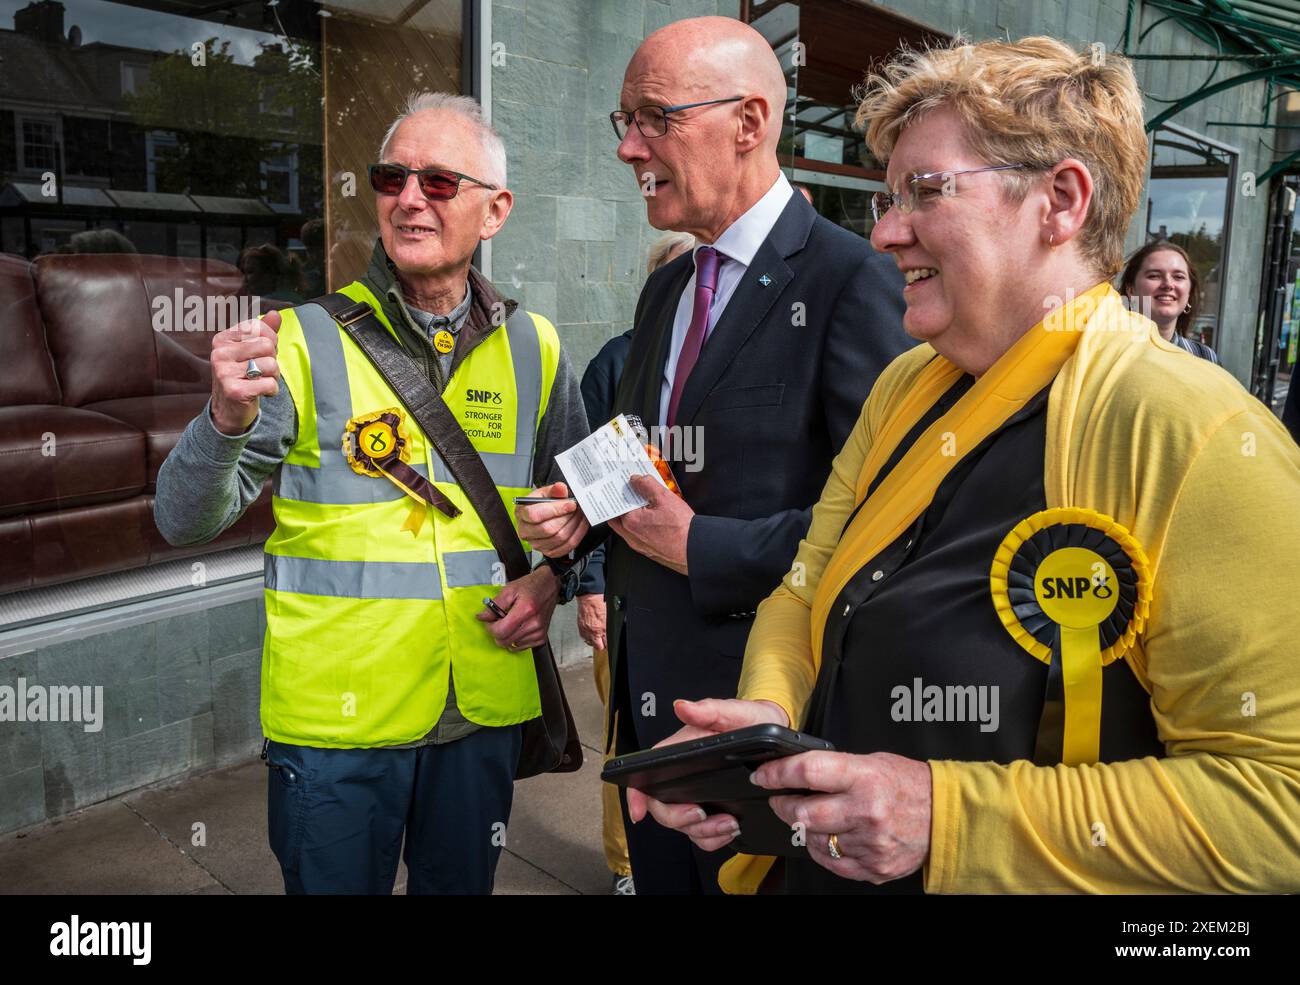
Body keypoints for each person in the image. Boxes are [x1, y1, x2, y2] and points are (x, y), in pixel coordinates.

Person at [632, 35, 1300, 895]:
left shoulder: (1193, 432)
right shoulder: (909, 384)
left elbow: (1277, 807)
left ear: (1059, 200)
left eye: (925, 192)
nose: (883, 231)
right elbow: (804, 585)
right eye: (887, 195)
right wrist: (768, 715)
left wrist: (947, 815)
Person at [154, 91, 590, 895]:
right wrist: (222, 416)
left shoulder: (538, 345)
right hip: (337, 728)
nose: (410, 198)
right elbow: (182, 519)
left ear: (495, 211)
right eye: (392, 178)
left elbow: (583, 509)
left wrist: (556, 579)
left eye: (439, 181)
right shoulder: (301, 341)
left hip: (479, 713)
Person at [517, 16, 911, 894]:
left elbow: (893, 523)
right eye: (623, 120)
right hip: (647, 712)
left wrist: (702, 546)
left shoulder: (853, 282)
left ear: (749, 121)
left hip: (764, 727)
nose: (628, 147)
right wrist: (581, 521)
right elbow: (636, 457)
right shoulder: (668, 285)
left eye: (653, 117)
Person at [579, 230, 694, 895]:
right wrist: (589, 587)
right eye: (680, 275)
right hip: (627, 591)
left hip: (708, 589)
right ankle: (627, 865)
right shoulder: (618, 362)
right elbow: (587, 495)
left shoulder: (731, 362)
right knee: (628, 734)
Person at [1119, 240, 1219, 363]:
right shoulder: (1107, 354)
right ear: (1131, 290)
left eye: (1178, 277)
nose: (1168, 285)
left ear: (1189, 292)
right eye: (1154, 275)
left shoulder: (1205, 358)